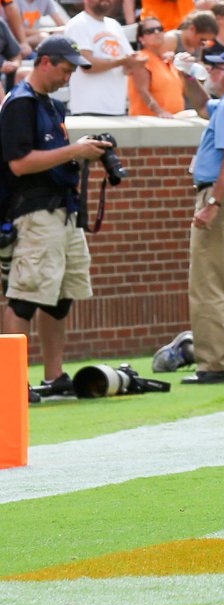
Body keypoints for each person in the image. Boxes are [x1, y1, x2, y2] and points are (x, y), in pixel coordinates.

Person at [0, 37, 114, 399]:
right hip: (34, 212)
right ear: (45, 62)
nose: (68, 77)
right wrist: (74, 150)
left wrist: (82, 153)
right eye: (65, 69)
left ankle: (54, 375)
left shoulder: (51, 105)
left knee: (62, 295)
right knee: (25, 296)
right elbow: (19, 163)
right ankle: (12, 380)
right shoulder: (19, 104)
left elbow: (50, 153)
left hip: (63, 211)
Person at [184, 46, 224, 382]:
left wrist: (213, 204)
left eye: (216, 68)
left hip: (220, 194)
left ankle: (215, 363)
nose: (211, 72)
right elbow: (202, 105)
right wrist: (188, 76)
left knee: (209, 283)